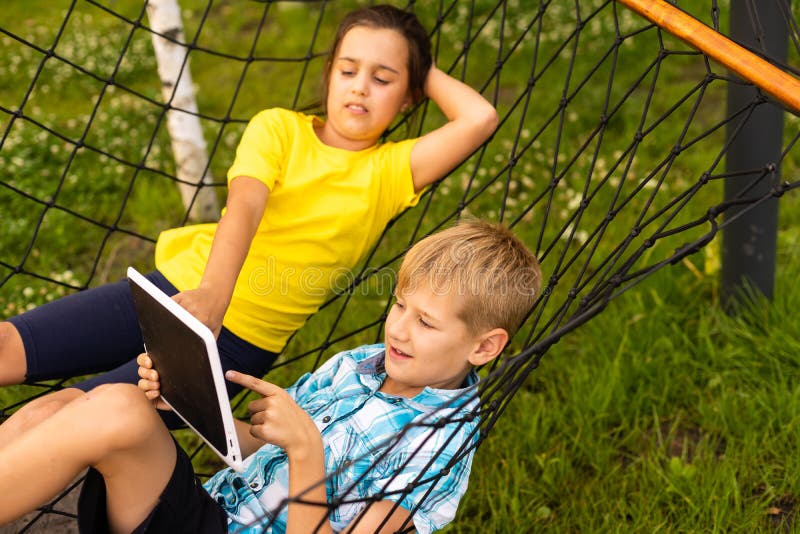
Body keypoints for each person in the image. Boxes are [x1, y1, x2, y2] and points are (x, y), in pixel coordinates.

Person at [0, 5, 499, 425]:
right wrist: (211, 295)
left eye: (383, 77)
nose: (361, 87)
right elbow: (244, 207)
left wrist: (415, 56)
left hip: (236, 345)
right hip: (179, 286)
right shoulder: (279, 129)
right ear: (328, 75)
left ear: (411, 95)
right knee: (8, 345)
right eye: (348, 70)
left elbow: (480, 118)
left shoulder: (392, 170)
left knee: (64, 415)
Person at [0, 220, 542, 533]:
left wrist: (307, 451)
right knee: (86, 406)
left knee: (111, 410)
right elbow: (258, 442)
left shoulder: (438, 449)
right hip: (207, 513)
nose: (398, 328)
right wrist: (184, 402)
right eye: (399, 305)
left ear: (484, 346)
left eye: (425, 322)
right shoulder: (359, 365)